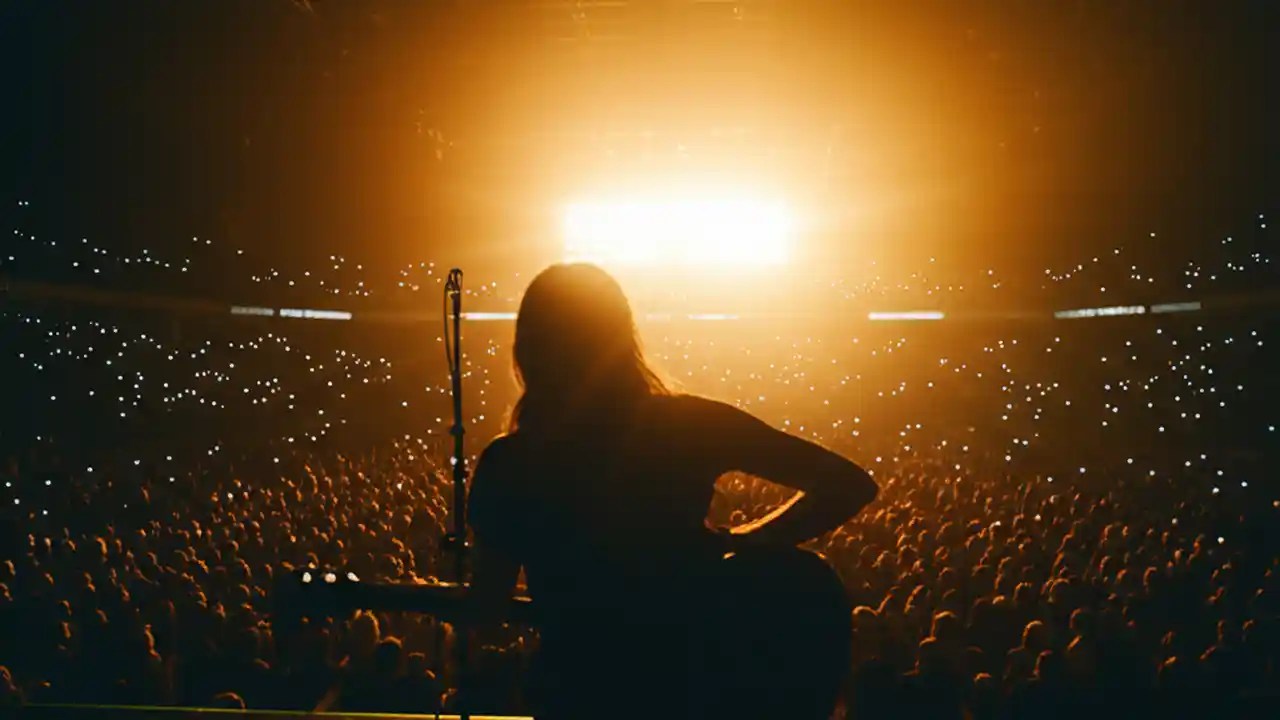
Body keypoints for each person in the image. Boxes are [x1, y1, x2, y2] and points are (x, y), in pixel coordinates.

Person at [465, 263, 878, 719]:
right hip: (693, 685)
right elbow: (848, 483)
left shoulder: (510, 461)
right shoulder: (690, 425)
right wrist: (750, 540)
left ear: (530, 349)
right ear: (623, 336)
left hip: (579, 690)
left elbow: (488, 610)